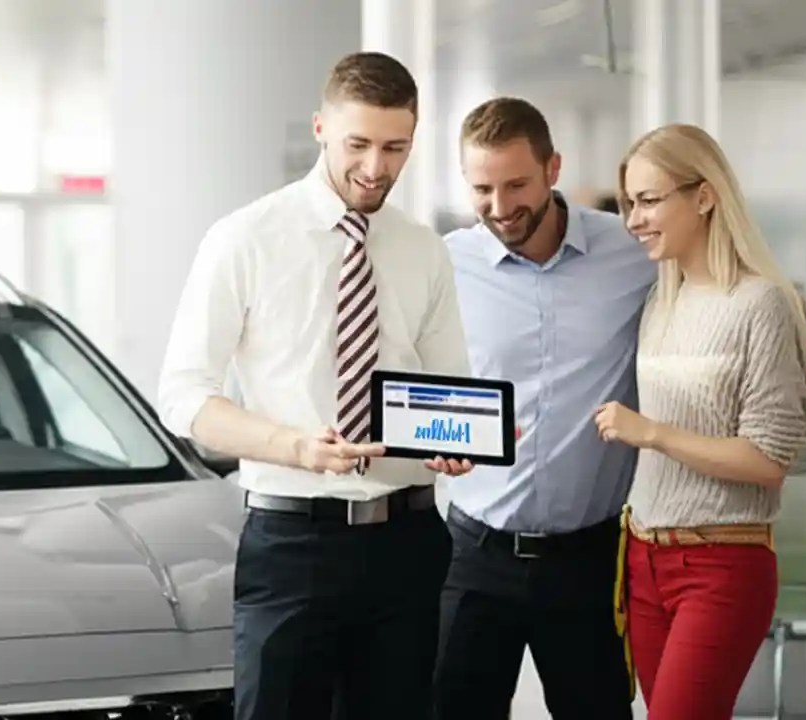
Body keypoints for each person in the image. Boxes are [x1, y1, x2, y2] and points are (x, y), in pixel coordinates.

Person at [156, 51, 472, 720]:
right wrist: (294, 447)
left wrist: (463, 440)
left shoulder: (423, 247)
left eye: (395, 147)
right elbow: (184, 398)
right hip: (294, 542)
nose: (376, 167)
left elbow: (448, 388)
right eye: (358, 143)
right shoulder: (244, 238)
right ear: (321, 127)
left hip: (408, 542)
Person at [435, 97, 656, 719]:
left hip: (590, 560)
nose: (501, 207)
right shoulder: (447, 262)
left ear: (553, 168)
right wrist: (432, 436)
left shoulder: (633, 253)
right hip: (474, 554)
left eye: (517, 184)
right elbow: (415, 376)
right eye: (482, 188)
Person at [594, 123, 806, 720]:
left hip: (722, 565)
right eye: (627, 204)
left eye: (649, 200)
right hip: (642, 559)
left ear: (705, 196)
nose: (633, 219)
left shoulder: (761, 304)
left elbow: (771, 460)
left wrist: (652, 433)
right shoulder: (661, 302)